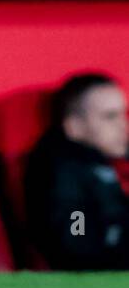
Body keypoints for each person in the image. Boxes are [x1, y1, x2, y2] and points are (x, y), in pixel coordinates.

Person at [25, 74, 129, 270]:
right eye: (110, 116)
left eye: (125, 114)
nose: (123, 126)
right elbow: (77, 242)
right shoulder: (64, 174)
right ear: (74, 127)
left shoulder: (105, 160)